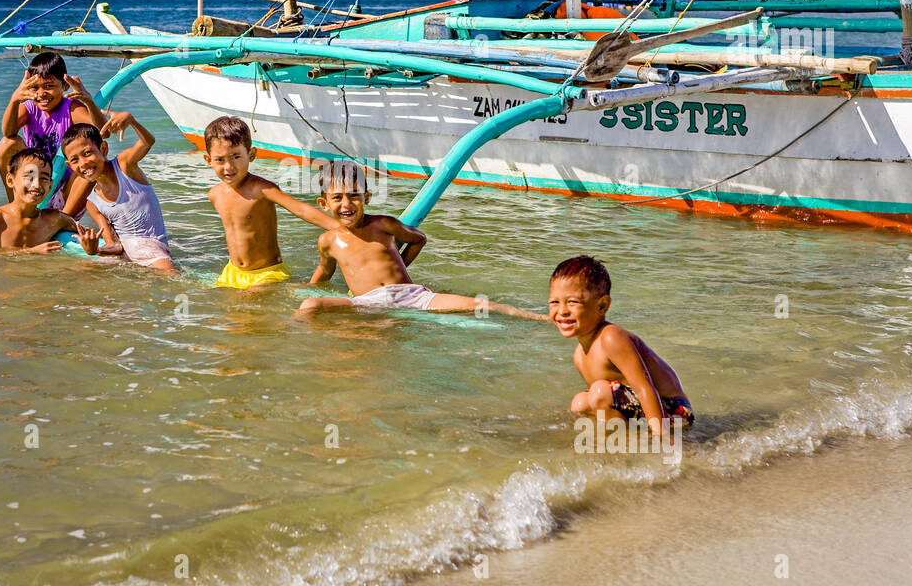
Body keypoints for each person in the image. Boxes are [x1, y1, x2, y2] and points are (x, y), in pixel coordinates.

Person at [297, 160, 543, 318]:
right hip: (367, 302)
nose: (346, 204)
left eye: (353, 196)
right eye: (337, 198)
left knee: (481, 305)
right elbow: (324, 269)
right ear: (323, 203)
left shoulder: (383, 224)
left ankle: (537, 317)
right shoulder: (328, 240)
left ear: (367, 197)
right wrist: (306, 289)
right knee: (309, 306)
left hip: (410, 295)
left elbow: (419, 239)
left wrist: (401, 267)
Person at [553, 255, 694, 435]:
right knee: (580, 402)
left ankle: (639, 439)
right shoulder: (579, 355)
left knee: (599, 392)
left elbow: (644, 387)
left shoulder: (611, 337)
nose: (562, 311)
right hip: (640, 409)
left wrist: (663, 436)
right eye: (554, 302)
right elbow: (608, 405)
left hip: (673, 412)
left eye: (573, 302)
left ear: (602, 306)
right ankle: (621, 443)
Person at [203, 115, 338, 288]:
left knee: (254, 302)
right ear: (208, 160)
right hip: (232, 272)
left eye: (236, 157)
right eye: (220, 160)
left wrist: (340, 228)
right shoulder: (215, 194)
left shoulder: (261, 189)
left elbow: (300, 209)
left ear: (251, 155)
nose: (228, 167)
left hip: (267, 273)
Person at [0, 52, 105, 215]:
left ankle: (64, 220)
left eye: (49, 86)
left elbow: (102, 132)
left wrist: (88, 101)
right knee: (7, 143)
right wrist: (14, 100)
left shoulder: (72, 108)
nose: (41, 94)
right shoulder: (30, 106)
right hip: (35, 182)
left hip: (67, 190)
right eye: (34, 88)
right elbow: (8, 131)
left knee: (89, 163)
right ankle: (17, 207)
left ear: (65, 86)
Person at [60, 119, 177, 273]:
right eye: (75, 160)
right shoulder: (92, 202)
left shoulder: (124, 166)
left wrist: (132, 121)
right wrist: (94, 251)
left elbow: (147, 142)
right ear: (69, 165)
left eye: (87, 153)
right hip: (123, 256)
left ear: (103, 148)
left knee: (171, 275)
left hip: (153, 252)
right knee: (78, 273)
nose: (83, 163)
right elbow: (114, 245)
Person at [0, 147, 100, 255]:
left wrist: (92, 248)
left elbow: (86, 234)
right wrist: (30, 251)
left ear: (50, 185)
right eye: (29, 177)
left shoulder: (55, 219)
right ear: (10, 180)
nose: (37, 184)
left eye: (44, 179)